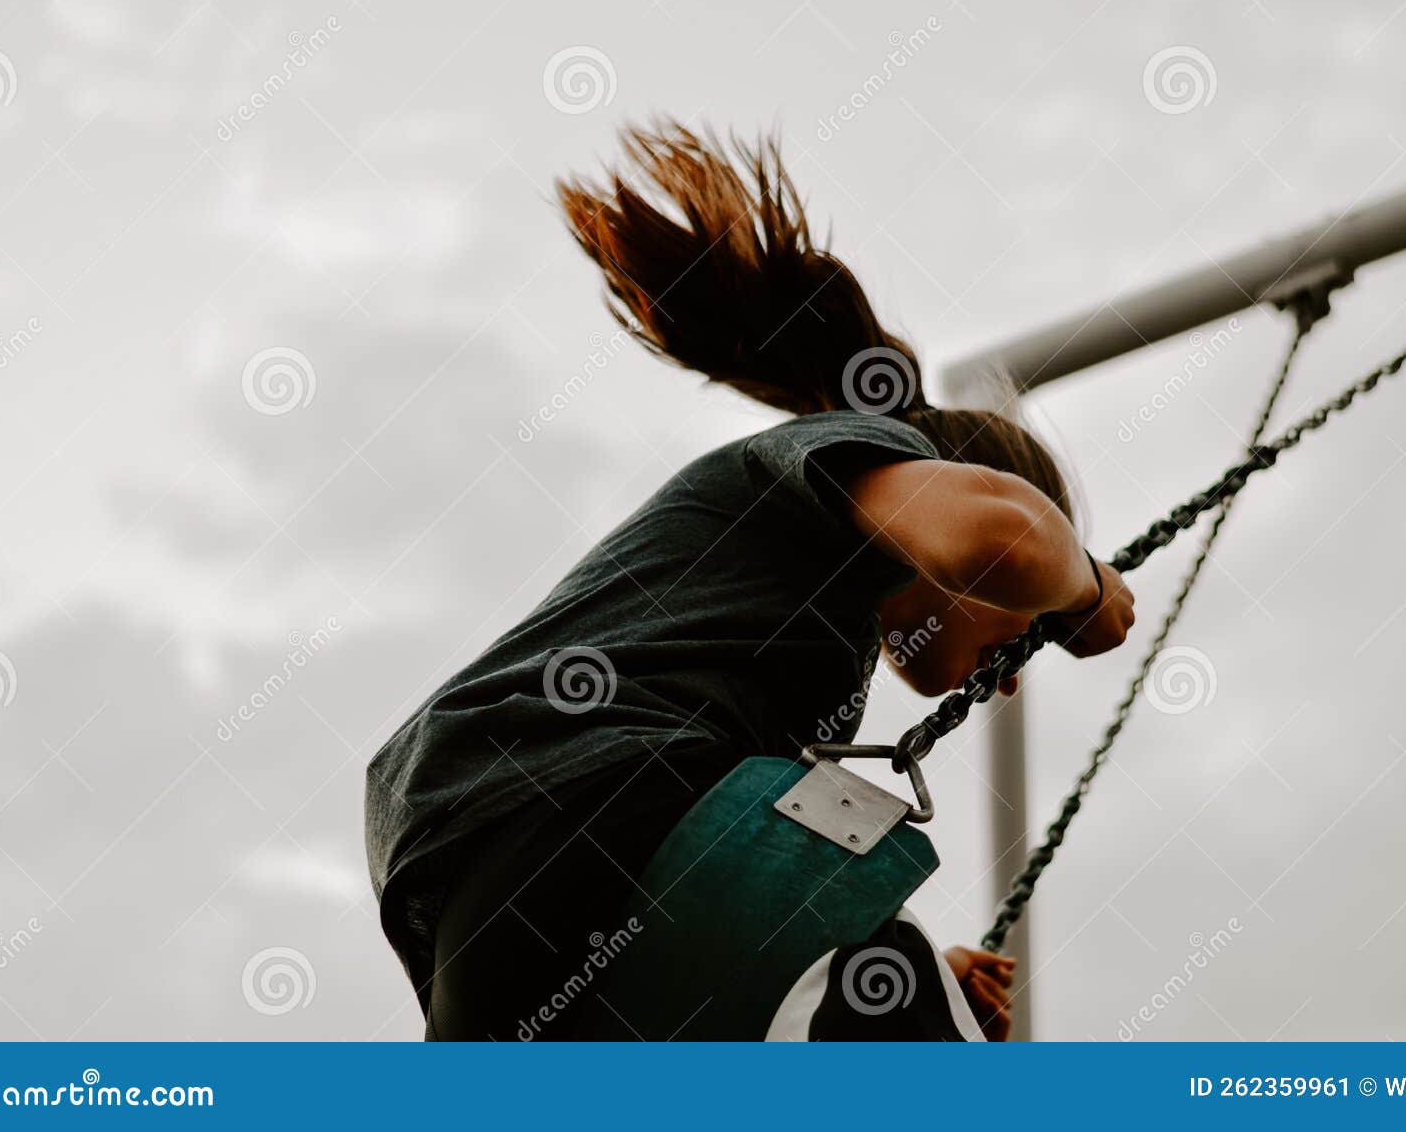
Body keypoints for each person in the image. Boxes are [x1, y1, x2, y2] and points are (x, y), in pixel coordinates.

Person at [363, 121, 1136, 1041]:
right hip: (600, 784)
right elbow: (1003, 537)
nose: (1010, 671)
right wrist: (1082, 589)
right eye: (1024, 634)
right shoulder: (865, 459)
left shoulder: (779, 596)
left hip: (485, 864)